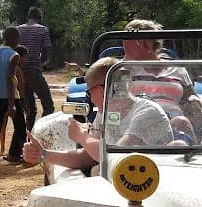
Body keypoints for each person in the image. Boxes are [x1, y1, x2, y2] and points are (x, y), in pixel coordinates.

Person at [22, 57, 174, 172]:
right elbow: (87, 156)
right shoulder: (107, 114)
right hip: (134, 183)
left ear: (100, 90)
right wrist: (42, 154)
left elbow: (111, 157)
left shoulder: (146, 112)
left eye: (89, 92)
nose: (91, 98)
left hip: (157, 186)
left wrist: (82, 136)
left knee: (97, 172)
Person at [122, 18, 202, 143]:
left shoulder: (177, 69)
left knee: (181, 122)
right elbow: (115, 95)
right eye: (131, 40)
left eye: (140, 39)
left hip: (173, 121)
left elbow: (192, 97)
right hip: (140, 122)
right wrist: (128, 58)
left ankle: (192, 155)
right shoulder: (126, 69)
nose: (138, 44)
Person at [0, 28, 27, 174]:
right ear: (14, 38)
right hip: (9, 96)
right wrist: (11, 104)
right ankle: (21, 156)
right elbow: (10, 77)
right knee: (21, 126)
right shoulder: (14, 55)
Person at [17, 6, 54, 131]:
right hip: (34, 72)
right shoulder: (43, 30)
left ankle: (28, 137)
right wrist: (39, 63)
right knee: (48, 106)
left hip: (20, 73)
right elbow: (45, 53)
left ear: (28, 17)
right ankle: (40, 133)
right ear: (40, 18)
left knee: (30, 109)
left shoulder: (18, 29)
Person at [0, 44, 29, 157]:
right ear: (20, 56)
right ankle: (19, 153)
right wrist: (23, 102)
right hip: (15, 99)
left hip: (1, 98)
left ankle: (5, 149)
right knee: (21, 127)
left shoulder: (5, 67)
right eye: (26, 57)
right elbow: (21, 88)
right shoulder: (17, 69)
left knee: (3, 125)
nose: (27, 60)